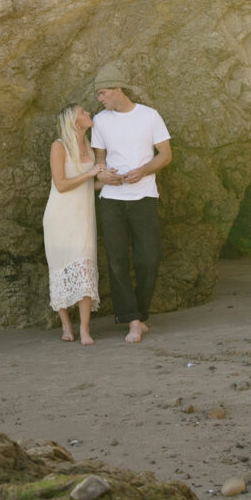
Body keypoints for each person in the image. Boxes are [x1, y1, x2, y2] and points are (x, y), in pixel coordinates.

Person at [90, 65, 171, 344]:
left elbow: (166, 154)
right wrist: (103, 173)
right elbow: (99, 158)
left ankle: (139, 313)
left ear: (117, 90)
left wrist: (144, 171)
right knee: (117, 261)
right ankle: (133, 321)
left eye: (103, 93)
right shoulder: (100, 121)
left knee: (148, 258)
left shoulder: (149, 116)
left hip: (145, 196)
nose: (100, 99)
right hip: (112, 199)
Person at [43, 103, 102, 344]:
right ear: (74, 121)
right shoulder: (59, 146)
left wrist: (111, 182)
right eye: (83, 112)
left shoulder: (89, 144)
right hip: (59, 216)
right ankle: (67, 325)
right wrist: (91, 174)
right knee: (61, 270)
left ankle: (85, 329)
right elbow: (61, 184)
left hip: (83, 217)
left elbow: (91, 184)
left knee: (85, 268)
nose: (88, 113)